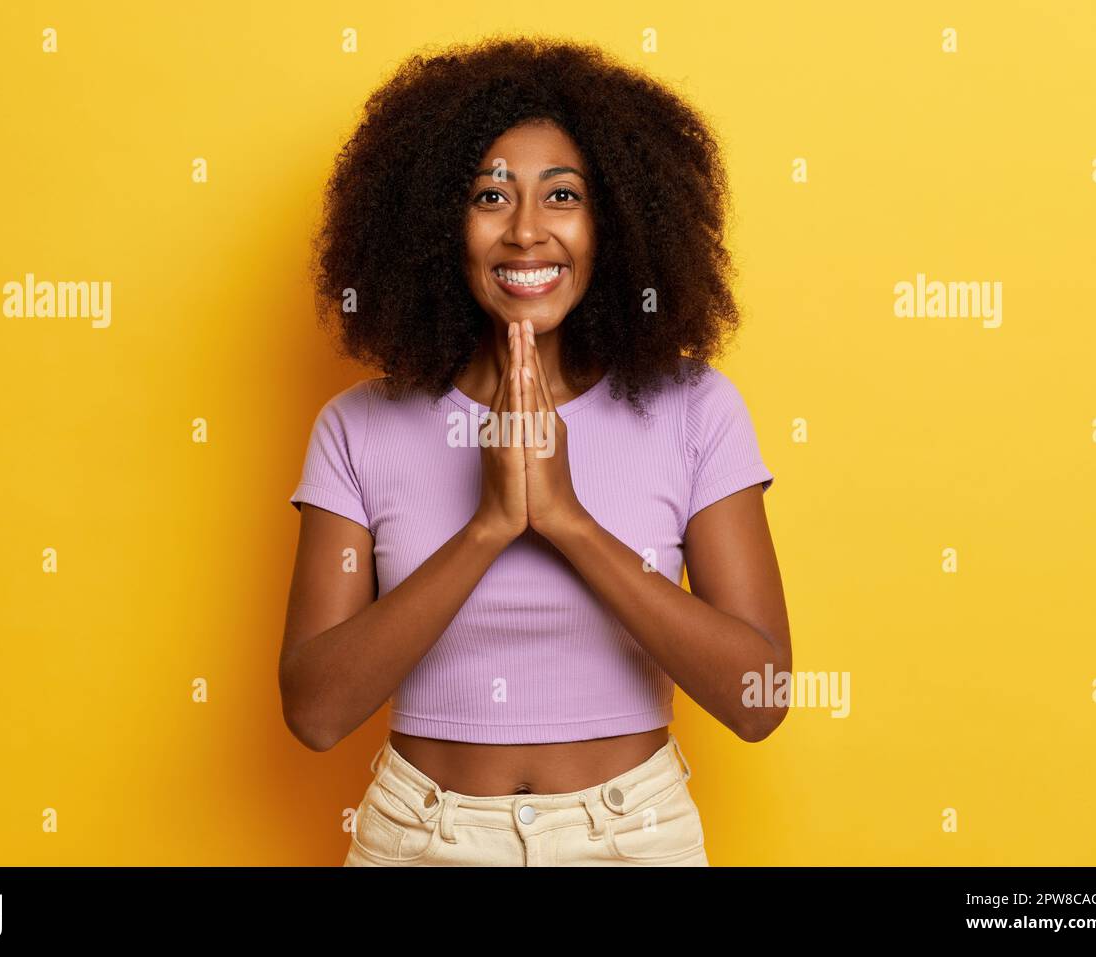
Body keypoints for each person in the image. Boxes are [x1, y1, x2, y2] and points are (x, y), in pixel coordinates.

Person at [281, 36, 791, 866]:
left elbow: (759, 698)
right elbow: (314, 711)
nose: (526, 232)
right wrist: (488, 525)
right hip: (420, 836)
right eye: (490, 195)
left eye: (563, 196)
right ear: (437, 224)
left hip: (634, 838)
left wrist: (566, 520)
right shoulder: (358, 426)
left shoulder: (696, 410)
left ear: (616, 222)